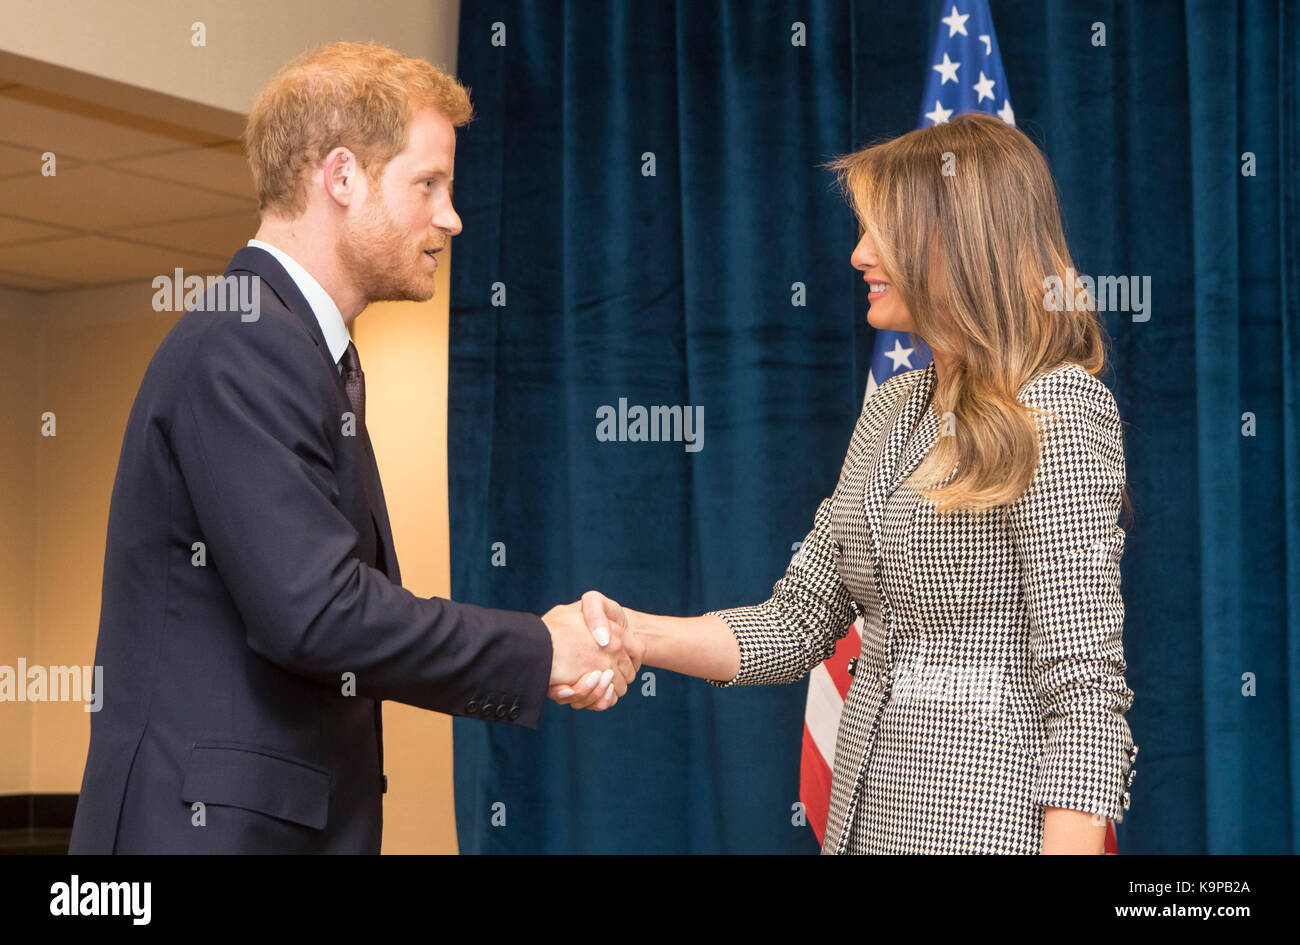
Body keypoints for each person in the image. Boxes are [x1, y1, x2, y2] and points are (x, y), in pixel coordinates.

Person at [69, 41, 635, 855]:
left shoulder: (300, 349)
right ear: (341, 178)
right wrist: (541, 647)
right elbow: (321, 613)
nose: (452, 215)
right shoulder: (245, 342)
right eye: (428, 184)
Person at [551, 112, 1139, 855]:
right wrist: (632, 632)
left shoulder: (1059, 408)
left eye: (881, 232)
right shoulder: (893, 407)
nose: (860, 254)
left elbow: (1086, 692)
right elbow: (797, 622)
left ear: (956, 238)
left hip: (990, 831)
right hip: (865, 824)